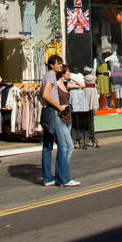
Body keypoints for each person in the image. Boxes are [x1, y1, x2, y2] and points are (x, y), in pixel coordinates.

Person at [40, 55, 78, 187]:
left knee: (47, 146)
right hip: (53, 113)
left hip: (46, 112)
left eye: (61, 63)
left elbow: (40, 94)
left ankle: (48, 178)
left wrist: (44, 103)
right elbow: (45, 94)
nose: (61, 65)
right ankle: (64, 179)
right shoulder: (51, 76)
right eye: (58, 63)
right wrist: (59, 106)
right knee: (64, 146)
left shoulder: (46, 76)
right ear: (52, 65)